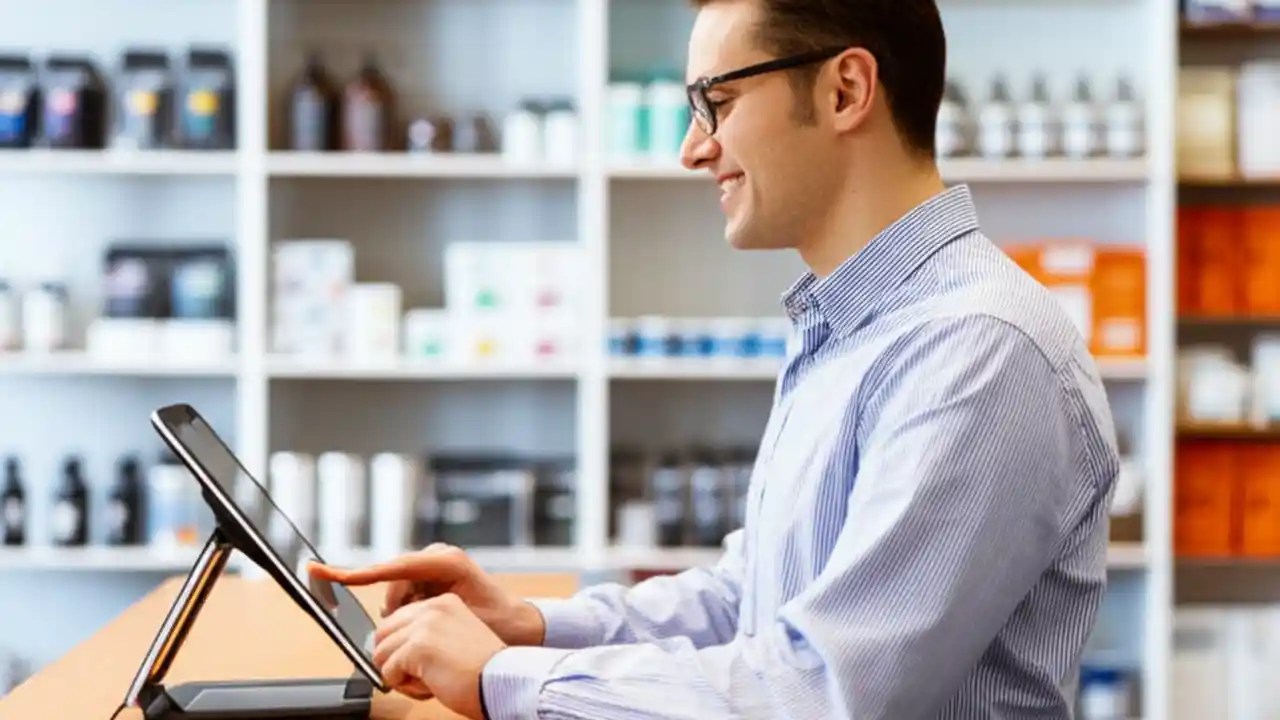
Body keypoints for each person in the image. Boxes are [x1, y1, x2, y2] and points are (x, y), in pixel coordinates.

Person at [308, 0, 1120, 717]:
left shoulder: (976, 351)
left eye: (717, 104)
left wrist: (504, 678)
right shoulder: (850, 325)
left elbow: (821, 692)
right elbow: (749, 603)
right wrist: (529, 625)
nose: (693, 149)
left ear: (845, 90)